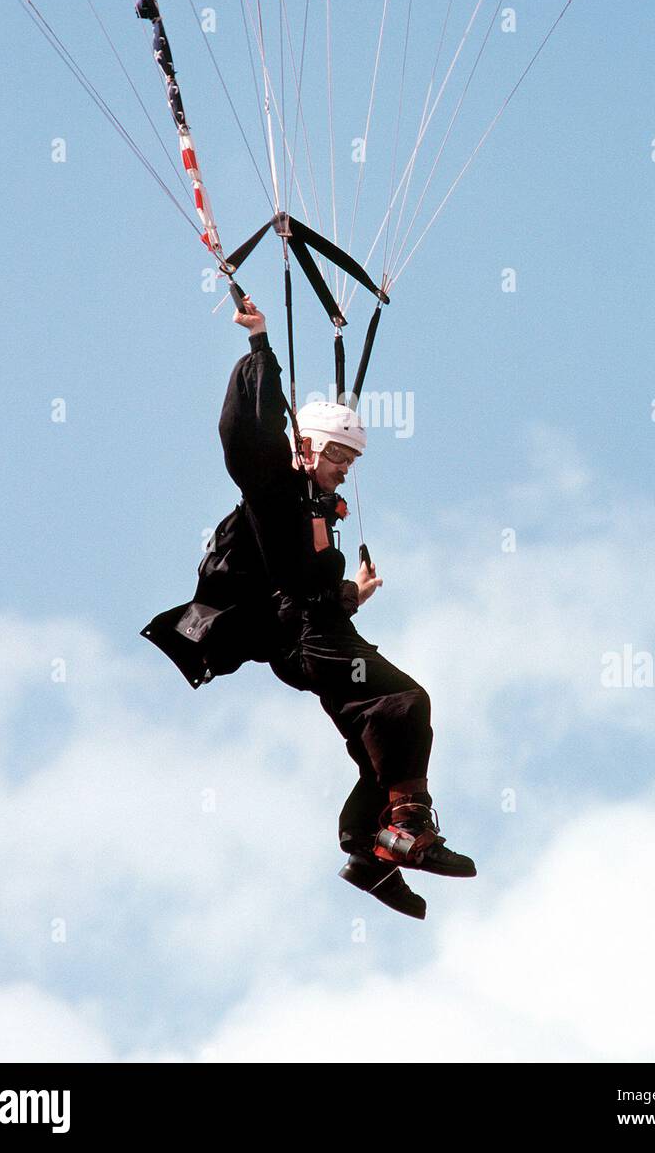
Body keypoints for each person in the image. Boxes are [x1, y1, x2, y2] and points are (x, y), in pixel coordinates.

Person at [218, 297, 475, 920]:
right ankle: (408, 830)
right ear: (308, 447)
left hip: (319, 628)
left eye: (350, 462)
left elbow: (305, 578)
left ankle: (372, 857)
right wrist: (259, 347)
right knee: (403, 705)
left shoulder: (314, 507)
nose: (342, 471)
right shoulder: (276, 488)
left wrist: (349, 594)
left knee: (379, 752)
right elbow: (244, 437)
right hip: (308, 637)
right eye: (337, 457)